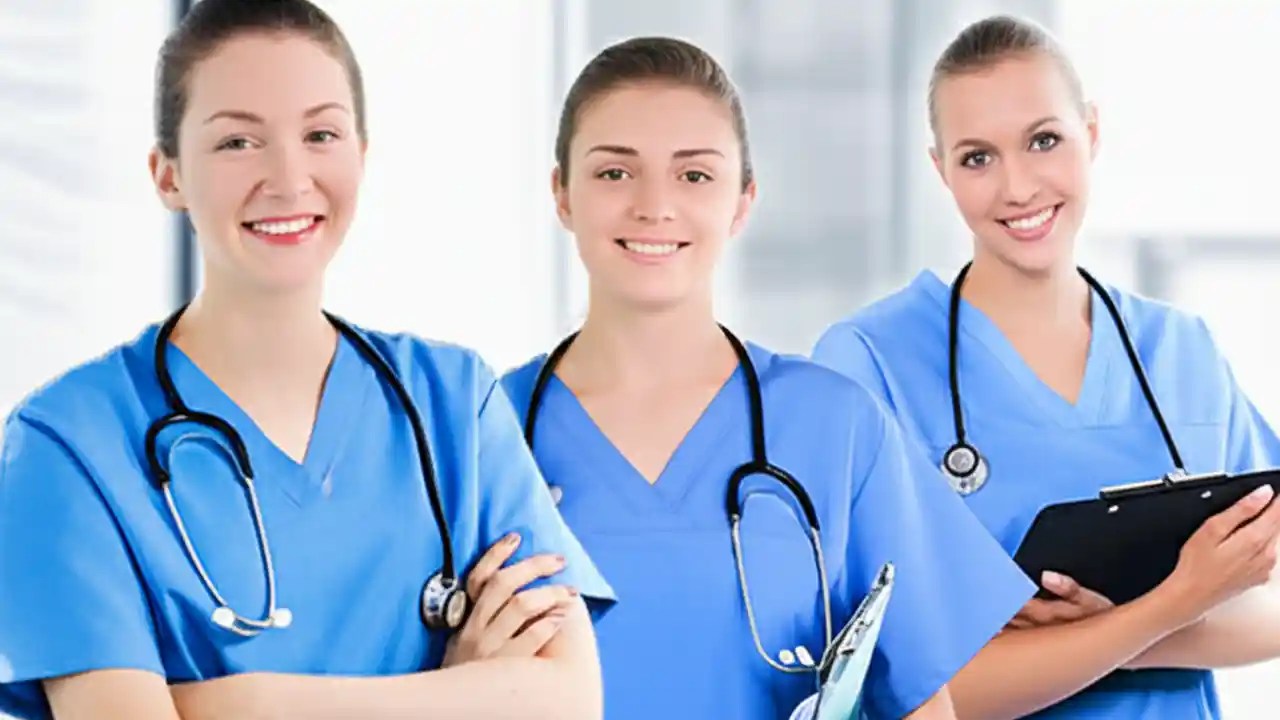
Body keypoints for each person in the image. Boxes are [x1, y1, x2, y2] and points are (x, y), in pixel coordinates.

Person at [0, 1, 613, 718]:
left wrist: (238, 703)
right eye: (237, 143)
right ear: (168, 176)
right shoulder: (68, 444)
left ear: (361, 153)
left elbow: (568, 700)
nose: (288, 177)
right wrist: (457, 692)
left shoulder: (453, 406)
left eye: (320, 133)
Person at [499, 36, 1034, 720]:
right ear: (562, 194)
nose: (654, 206)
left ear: (743, 201)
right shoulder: (487, 432)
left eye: (694, 176)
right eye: (614, 173)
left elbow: (922, 702)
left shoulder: (835, 425)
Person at [812, 14, 1280, 719]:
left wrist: (1131, 624)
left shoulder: (1181, 351)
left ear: (1090, 134)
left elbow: (1269, 604)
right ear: (940, 169)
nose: (1019, 187)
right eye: (978, 157)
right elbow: (914, 681)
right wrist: (1174, 607)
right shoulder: (871, 362)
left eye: (1043, 140)